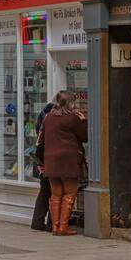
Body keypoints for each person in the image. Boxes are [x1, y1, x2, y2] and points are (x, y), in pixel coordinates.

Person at [41, 90, 88, 236]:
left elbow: (42, 138)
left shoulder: (48, 117)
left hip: (51, 160)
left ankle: (55, 227)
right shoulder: (72, 118)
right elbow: (84, 136)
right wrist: (83, 121)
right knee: (70, 192)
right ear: (70, 103)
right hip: (68, 160)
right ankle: (63, 227)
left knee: (55, 194)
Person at [30, 101, 54, 231]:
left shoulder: (43, 114)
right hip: (47, 159)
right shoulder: (50, 116)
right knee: (53, 192)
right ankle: (51, 223)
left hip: (42, 159)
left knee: (45, 191)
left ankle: (38, 221)